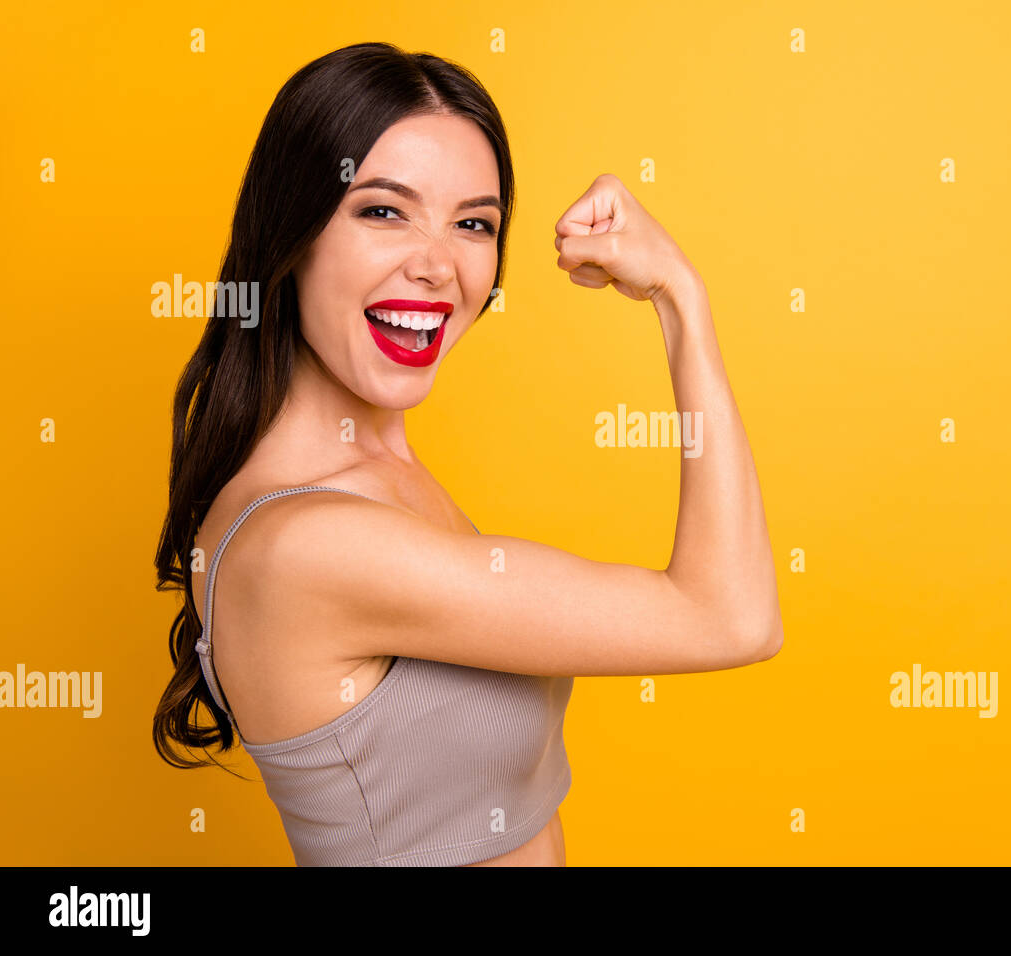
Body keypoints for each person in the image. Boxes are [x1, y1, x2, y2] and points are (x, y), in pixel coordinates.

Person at [152, 41, 782, 867]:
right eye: (383, 210)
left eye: (473, 224)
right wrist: (680, 300)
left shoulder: (378, 477)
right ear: (294, 232)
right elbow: (730, 617)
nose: (437, 265)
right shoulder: (309, 543)